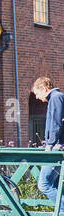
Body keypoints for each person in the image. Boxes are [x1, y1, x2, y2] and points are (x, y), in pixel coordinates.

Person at [32, 76, 64, 205]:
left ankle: (61, 213)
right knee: (56, 185)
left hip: (57, 148)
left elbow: (56, 123)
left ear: (44, 88)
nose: (36, 97)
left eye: (37, 93)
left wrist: (50, 145)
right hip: (57, 146)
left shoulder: (56, 97)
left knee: (44, 184)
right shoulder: (57, 98)